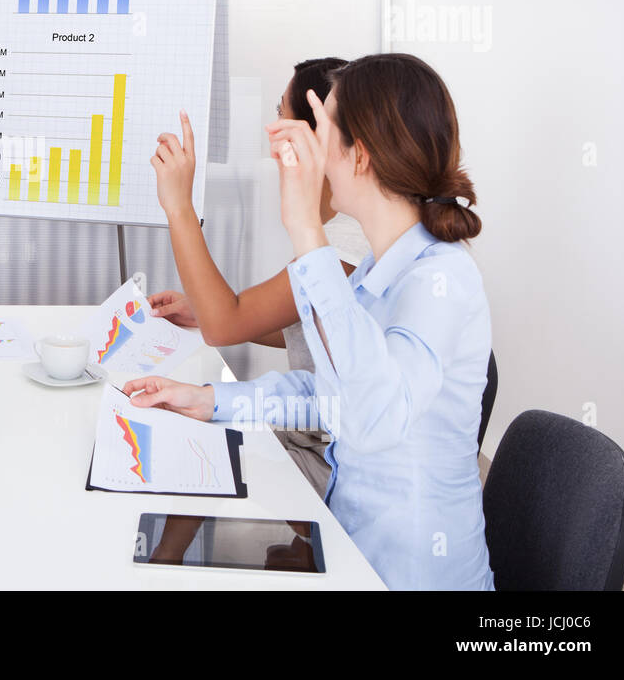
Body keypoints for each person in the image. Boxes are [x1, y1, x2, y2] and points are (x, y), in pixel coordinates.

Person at [131, 53, 493, 590]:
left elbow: (370, 418)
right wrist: (209, 400)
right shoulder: (377, 268)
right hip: (349, 552)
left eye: (324, 130)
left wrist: (305, 225)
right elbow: (330, 395)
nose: (312, 150)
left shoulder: (443, 281)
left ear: (360, 156)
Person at [145, 58, 371, 492]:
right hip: (309, 432)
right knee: (196, 426)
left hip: (329, 460)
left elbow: (224, 324)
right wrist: (207, 313)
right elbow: (305, 327)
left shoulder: (347, 247)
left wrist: (179, 206)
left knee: (192, 454)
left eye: (280, 113)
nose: (273, 131)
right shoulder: (337, 234)